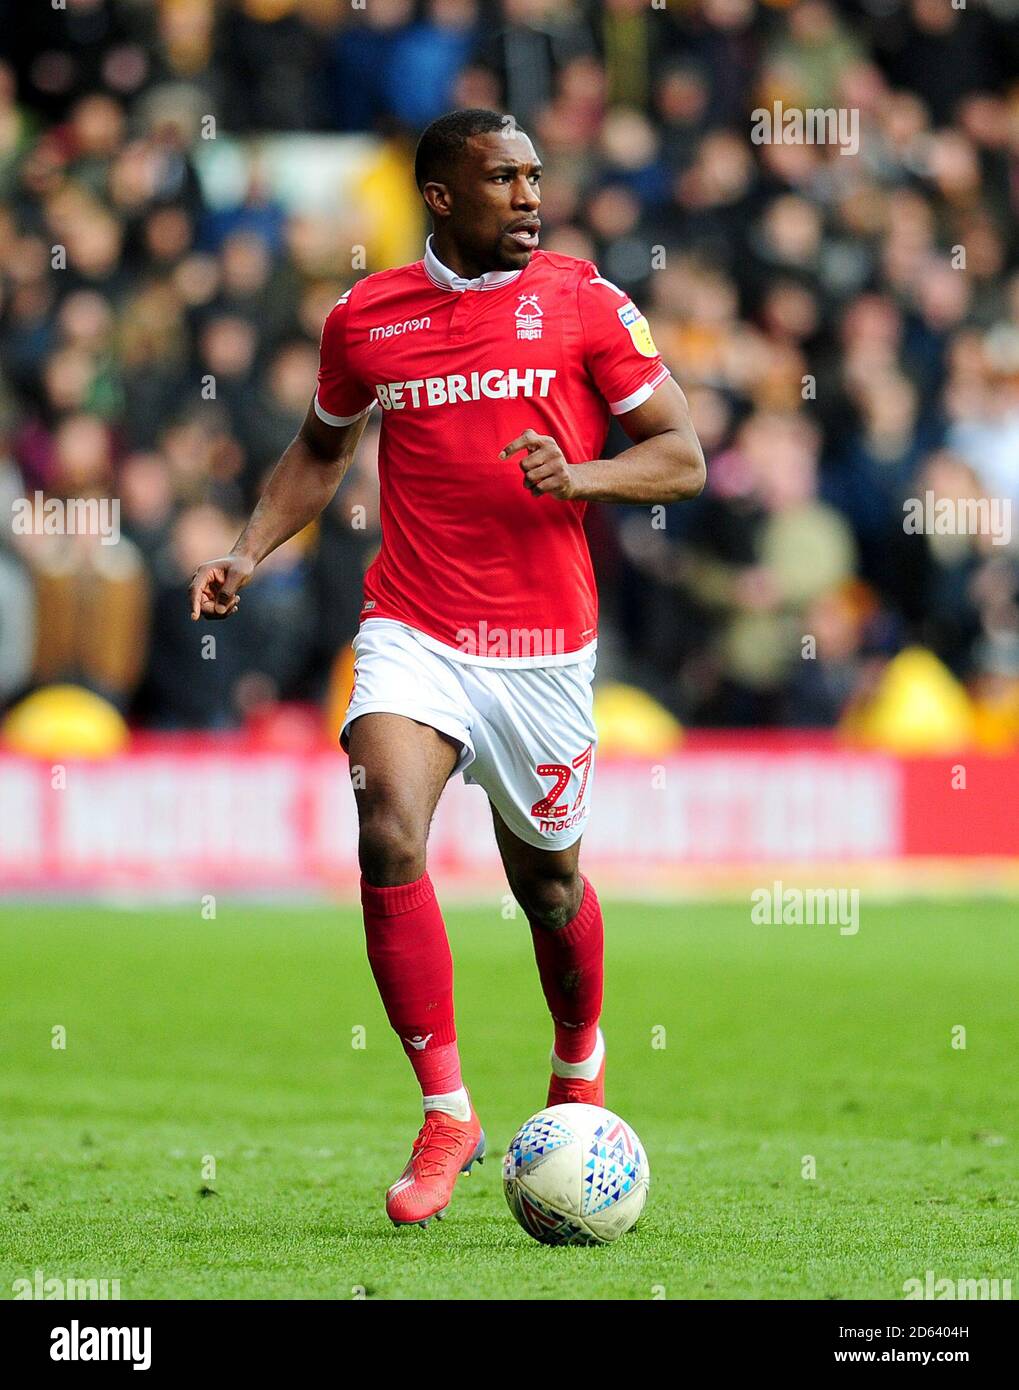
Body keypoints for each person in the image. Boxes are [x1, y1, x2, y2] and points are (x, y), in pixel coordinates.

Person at [188, 108, 705, 1228]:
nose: (528, 197)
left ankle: (577, 1065)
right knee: (384, 828)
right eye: (503, 179)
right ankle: (446, 1108)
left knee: (548, 886)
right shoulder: (366, 317)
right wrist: (247, 550)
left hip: (541, 652)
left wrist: (582, 478)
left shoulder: (581, 301)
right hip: (412, 627)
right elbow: (320, 451)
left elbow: (680, 454)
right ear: (437, 196)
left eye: (534, 178)